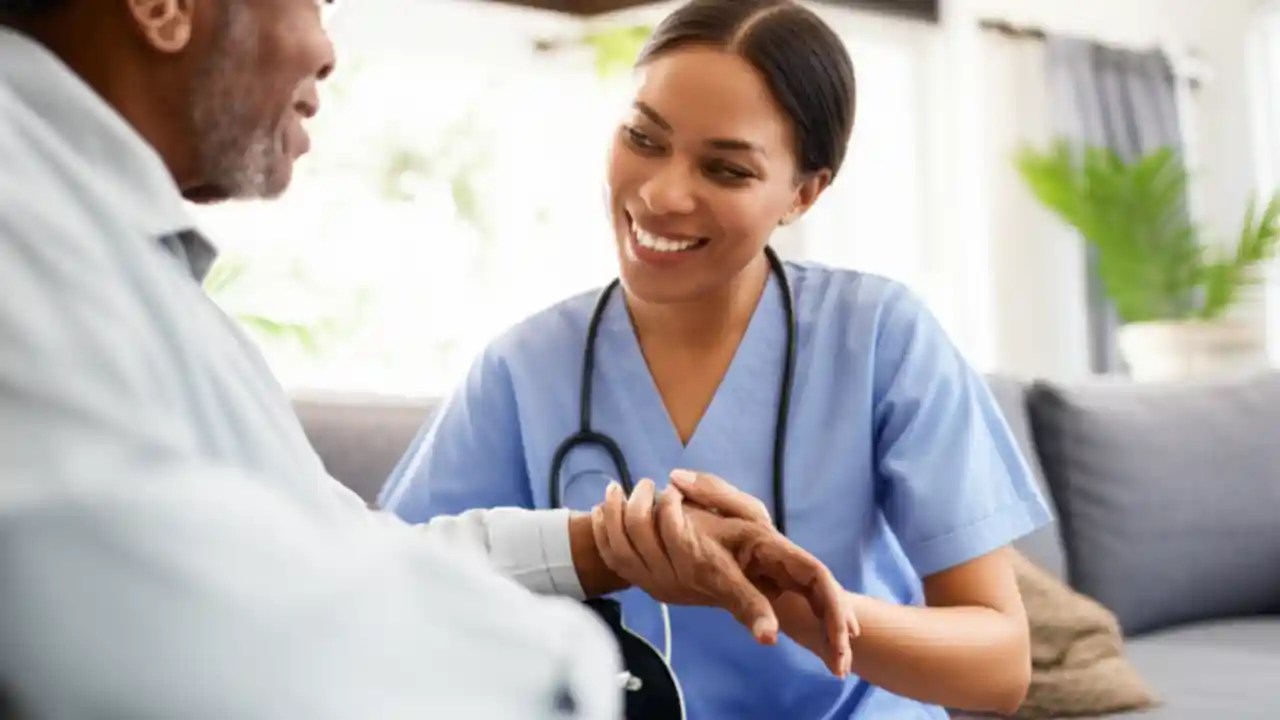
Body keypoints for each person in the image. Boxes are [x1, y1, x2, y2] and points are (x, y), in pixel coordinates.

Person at [0, 1, 858, 718]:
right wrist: (575, 684)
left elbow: (342, 557)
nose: (328, 52)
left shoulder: (128, 269)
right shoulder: (24, 217)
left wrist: (609, 547)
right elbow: (155, 620)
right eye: (314, 0)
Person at [380, 0, 1055, 718]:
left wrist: (790, 604)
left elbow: (998, 667)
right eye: (643, 137)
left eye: (726, 169)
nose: (663, 192)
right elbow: (389, 590)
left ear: (803, 193)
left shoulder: (881, 340)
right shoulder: (524, 368)